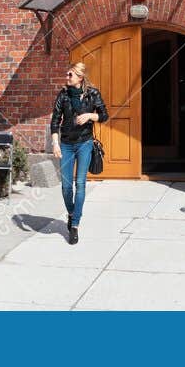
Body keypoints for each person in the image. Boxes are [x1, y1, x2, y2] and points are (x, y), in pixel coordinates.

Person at [49, 60, 108, 245]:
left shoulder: (92, 94)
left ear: (80, 78)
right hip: (66, 144)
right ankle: (72, 212)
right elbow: (55, 121)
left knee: (80, 184)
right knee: (66, 187)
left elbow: (104, 115)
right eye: (67, 74)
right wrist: (55, 144)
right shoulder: (63, 95)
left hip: (84, 143)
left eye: (70, 75)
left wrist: (91, 115)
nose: (67, 77)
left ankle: (74, 225)